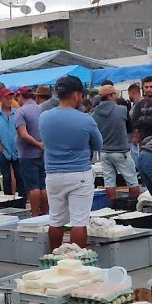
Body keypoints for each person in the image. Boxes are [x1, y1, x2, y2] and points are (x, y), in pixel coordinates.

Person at [39, 75, 102, 249]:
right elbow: (98, 144)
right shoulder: (86, 119)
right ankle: (77, 261)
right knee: (79, 221)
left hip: (53, 174)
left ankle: (54, 257)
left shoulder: (44, 117)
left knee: (56, 219)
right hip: (79, 174)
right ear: (75, 95)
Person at [91, 83, 139, 202]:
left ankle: (112, 206)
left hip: (104, 152)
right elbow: (130, 128)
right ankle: (134, 206)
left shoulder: (94, 114)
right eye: (114, 95)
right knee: (131, 180)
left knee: (109, 181)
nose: (116, 97)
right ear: (109, 96)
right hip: (121, 151)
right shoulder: (122, 109)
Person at [13, 86, 47, 216]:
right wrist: (42, 144)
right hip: (42, 154)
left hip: (28, 154)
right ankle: (46, 212)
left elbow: (23, 134)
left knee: (33, 187)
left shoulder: (20, 112)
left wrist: (37, 144)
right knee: (43, 186)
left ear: (20, 97)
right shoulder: (42, 109)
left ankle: (35, 215)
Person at [0, 87, 22, 197]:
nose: (10, 100)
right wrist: (1, 149)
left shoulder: (17, 113)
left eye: (11, 98)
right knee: (6, 176)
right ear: (0, 99)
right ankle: (8, 198)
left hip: (17, 149)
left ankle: (21, 198)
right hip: (3, 149)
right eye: (7, 98)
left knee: (20, 175)